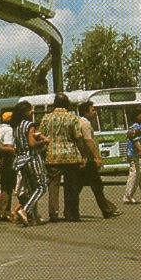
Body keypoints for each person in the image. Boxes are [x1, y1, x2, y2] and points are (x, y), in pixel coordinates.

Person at [39, 93, 85, 222]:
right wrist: (83, 154)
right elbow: (78, 137)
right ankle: (71, 213)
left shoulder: (46, 118)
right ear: (67, 104)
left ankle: (53, 212)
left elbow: (41, 135)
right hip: (70, 156)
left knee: (53, 185)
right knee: (71, 186)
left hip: (51, 155)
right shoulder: (73, 118)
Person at [77, 101, 120, 219]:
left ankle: (71, 211)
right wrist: (96, 157)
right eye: (92, 110)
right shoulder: (85, 123)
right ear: (86, 112)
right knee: (97, 186)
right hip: (88, 160)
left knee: (79, 187)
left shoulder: (81, 122)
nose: (95, 112)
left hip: (84, 159)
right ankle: (107, 210)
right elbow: (88, 142)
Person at [11, 101, 49, 227]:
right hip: (32, 158)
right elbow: (32, 144)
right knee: (41, 186)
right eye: (30, 110)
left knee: (31, 188)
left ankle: (34, 216)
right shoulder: (29, 125)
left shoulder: (16, 126)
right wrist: (44, 141)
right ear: (25, 112)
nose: (32, 111)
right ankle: (25, 210)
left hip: (21, 161)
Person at [0, 111, 17, 222]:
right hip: (7, 160)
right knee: (7, 186)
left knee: (2, 185)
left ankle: (0, 210)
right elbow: (8, 146)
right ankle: (4, 211)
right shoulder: (9, 131)